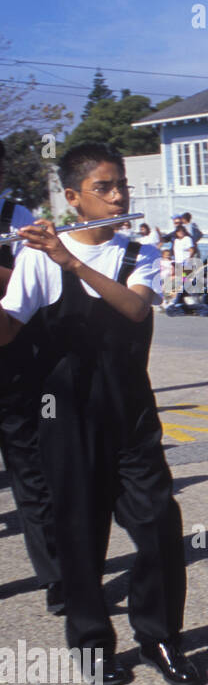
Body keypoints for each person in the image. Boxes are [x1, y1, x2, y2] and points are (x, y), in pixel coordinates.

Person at [0, 142, 200, 685]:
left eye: (121, 186)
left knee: (159, 524)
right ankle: (91, 643)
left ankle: (159, 635)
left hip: (129, 413)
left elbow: (135, 311)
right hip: (64, 416)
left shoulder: (141, 253)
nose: (118, 196)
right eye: (104, 188)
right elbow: (8, 330)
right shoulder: (36, 257)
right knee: (79, 534)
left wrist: (69, 259)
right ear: (73, 197)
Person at [0, 145, 61, 613]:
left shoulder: (17, 215)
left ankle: (57, 578)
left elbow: (27, 287)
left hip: (13, 359)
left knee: (30, 473)